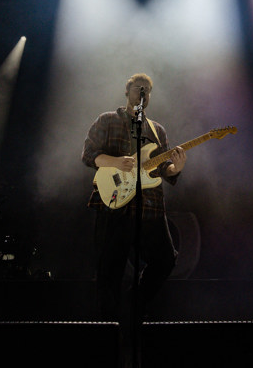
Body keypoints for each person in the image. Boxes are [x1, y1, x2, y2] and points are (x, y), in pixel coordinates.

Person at [81, 73, 186, 324]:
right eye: (140, 88)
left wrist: (176, 168)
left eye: (148, 90)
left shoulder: (156, 129)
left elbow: (163, 169)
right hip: (114, 203)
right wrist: (116, 161)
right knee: (109, 271)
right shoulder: (107, 120)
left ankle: (135, 304)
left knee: (165, 260)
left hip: (150, 206)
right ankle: (109, 327)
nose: (144, 93)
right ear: (127, 91)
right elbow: (88, 154)